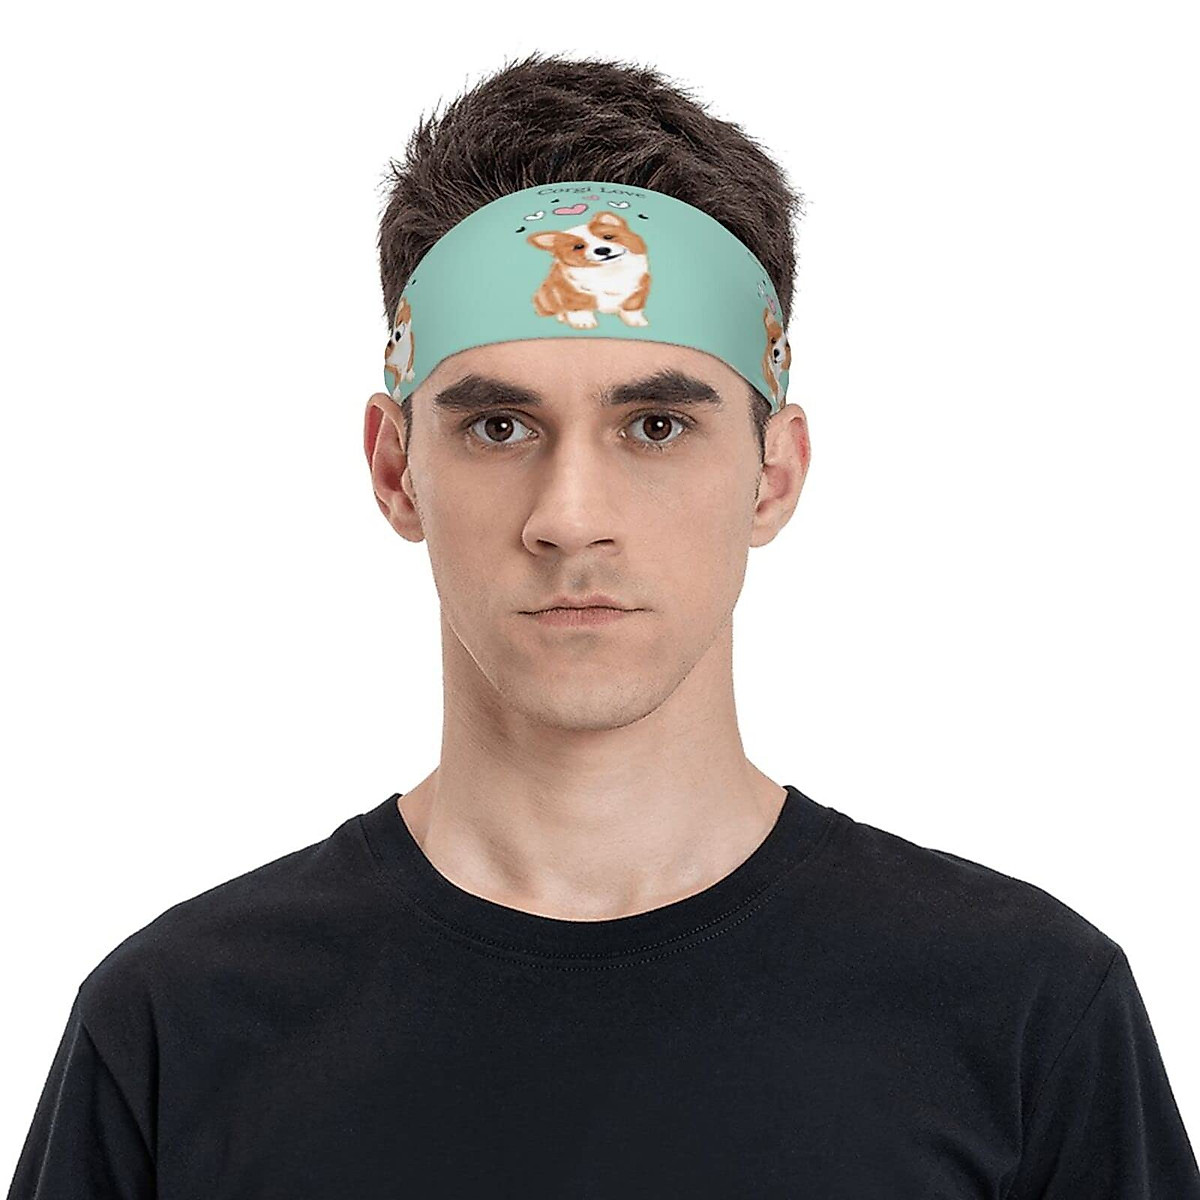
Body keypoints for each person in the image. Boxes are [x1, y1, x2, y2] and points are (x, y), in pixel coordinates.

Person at [8, 51, 1198, 1199]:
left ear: (775, 473)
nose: (571, 517)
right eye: (499, 427)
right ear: (396, 469)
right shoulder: (176, 1032)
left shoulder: (1028, 1017)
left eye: (656, 427)